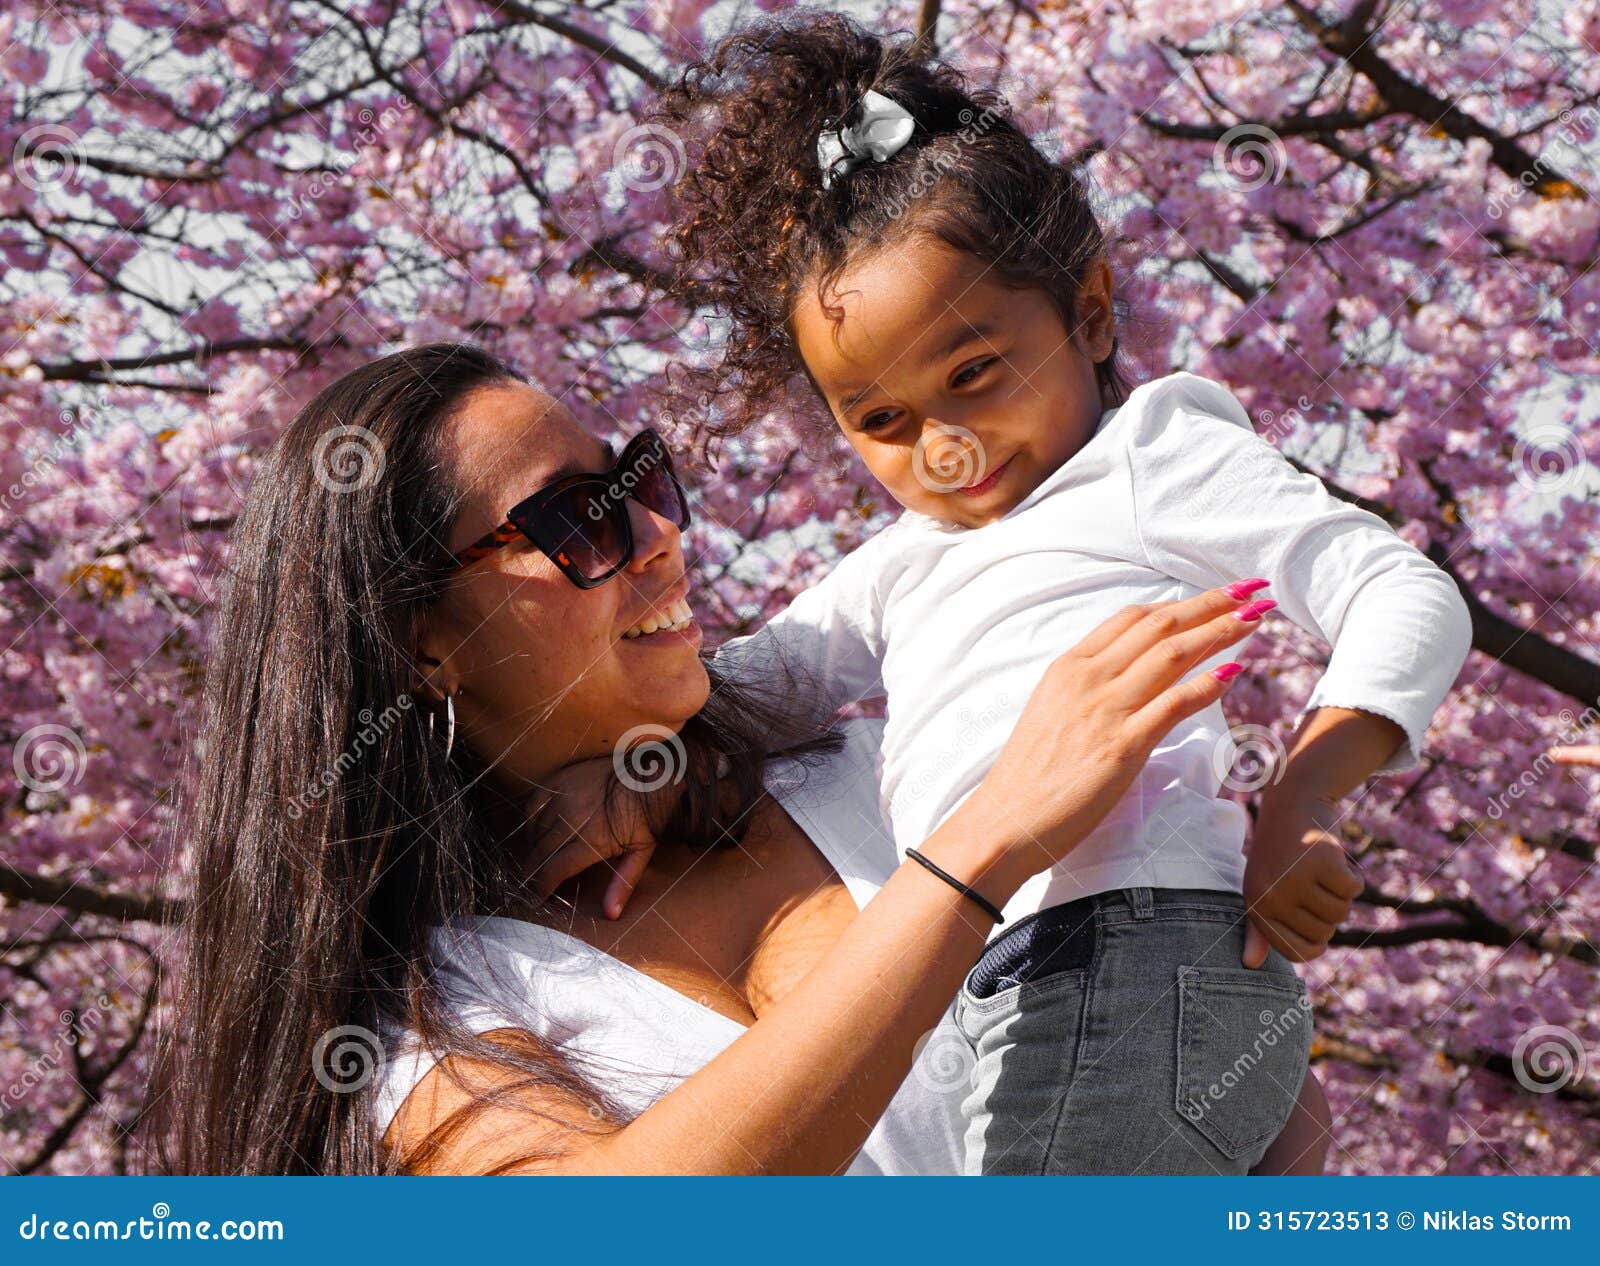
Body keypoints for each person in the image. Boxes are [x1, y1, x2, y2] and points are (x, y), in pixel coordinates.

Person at [558, 13, 1473, 1175]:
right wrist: (620, 787)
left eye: (975, 375)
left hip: (1141, 951)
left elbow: (1398, 587)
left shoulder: (1145, 458)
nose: (941, 447)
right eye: (880, 422)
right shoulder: (910, 557)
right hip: (1011, 979)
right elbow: (745, 690)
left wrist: (1306, 793)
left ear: (1088, 312)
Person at [158, 341, 1263, 1175]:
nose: (656, 535)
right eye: (577, 521)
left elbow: (1221, 1049)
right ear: (421, 643)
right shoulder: (422, 1009)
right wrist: (976, 855)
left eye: (640, 482)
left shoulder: (880, 772)